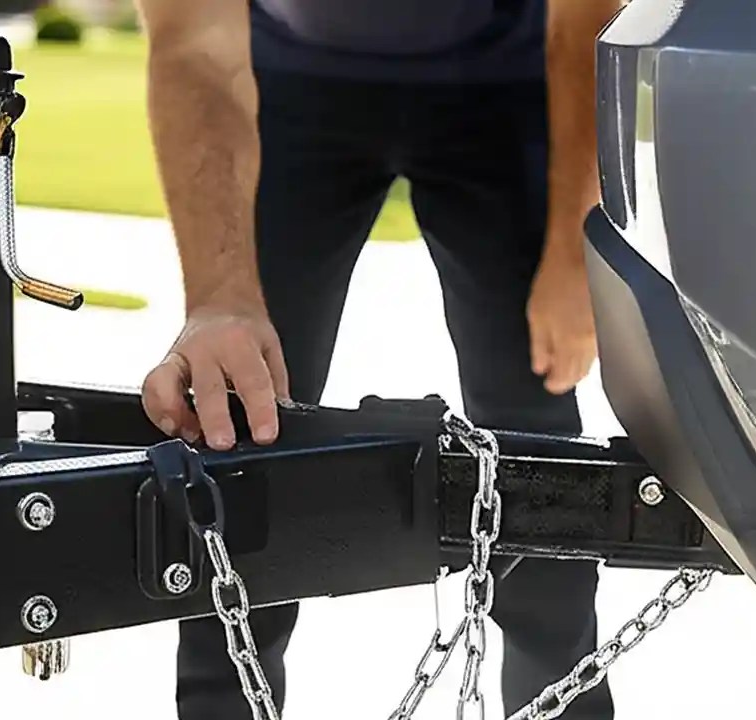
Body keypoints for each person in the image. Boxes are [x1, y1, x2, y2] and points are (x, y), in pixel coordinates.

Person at [134, 0, 624, 717]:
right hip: (290, 80)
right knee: (238, 412)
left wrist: (572, 255)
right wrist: (219, 300)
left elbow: (583, 17)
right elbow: (196, 42)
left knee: (532, 436)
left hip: (500, 79)